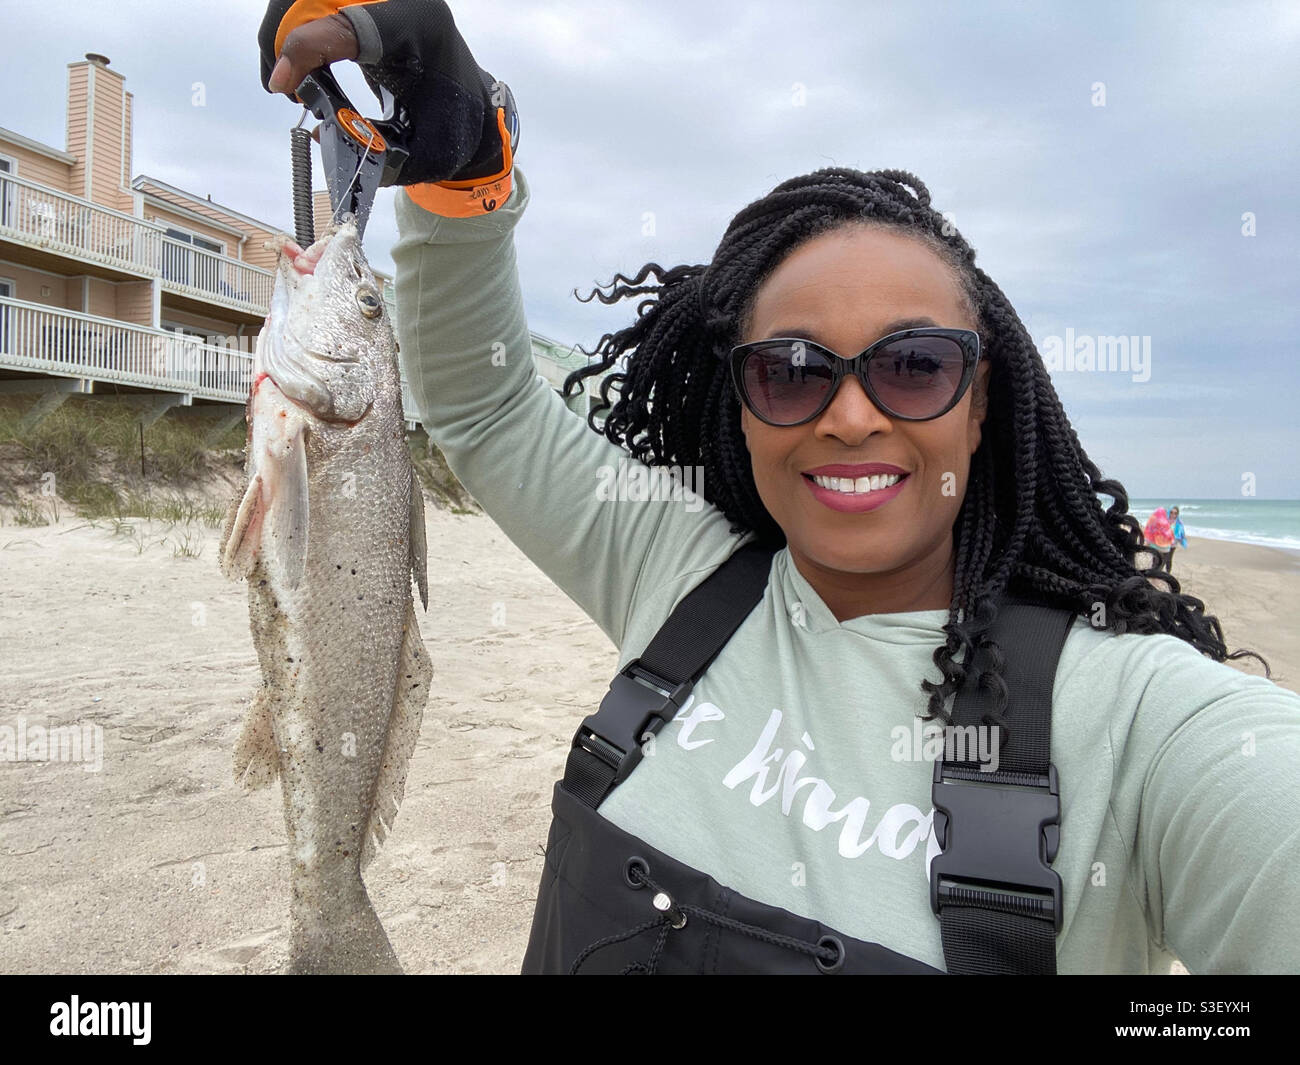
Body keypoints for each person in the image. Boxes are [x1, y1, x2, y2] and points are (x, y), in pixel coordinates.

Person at [260, 0, 1300, 975]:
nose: (851, 415)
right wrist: (466, 176)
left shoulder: (1148, 725)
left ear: (982, 405)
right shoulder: (683, 579)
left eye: (915, 364)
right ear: (742, 408)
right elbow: (484, 408)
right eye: (792, 371)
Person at [1142, 506, 1176, 573]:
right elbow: (1170, 536)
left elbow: (1149, 532)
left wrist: (1147, 543)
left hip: (1154, 547)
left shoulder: (1153, 520)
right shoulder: (1166, 523)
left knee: (1154, 563)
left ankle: (1153, 575)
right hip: (1165, 549)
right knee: (1161, 564)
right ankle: (1158, 575)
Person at [1169, 505, 1188, 570]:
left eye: (1175, 513)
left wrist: (1183, 539)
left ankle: (1167, 573)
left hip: (1173, 544)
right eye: (1171, 512)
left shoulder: (1179, 523)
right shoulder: (1165, 521)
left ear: (1177, 514)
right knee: (1162, 558)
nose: (1173, 514)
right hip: (1163, 543)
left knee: (1169, 559)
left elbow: (1182, 533)